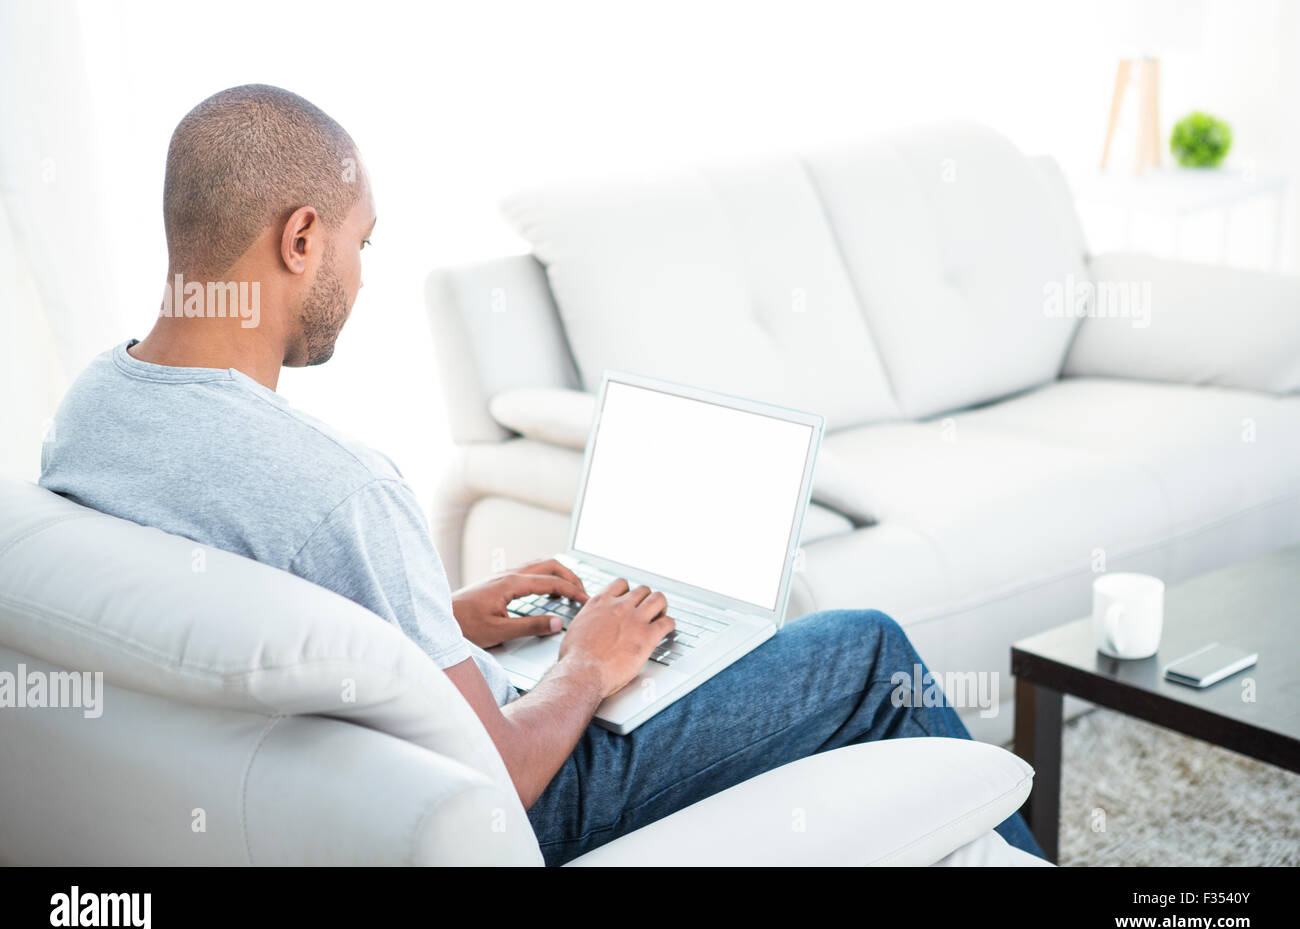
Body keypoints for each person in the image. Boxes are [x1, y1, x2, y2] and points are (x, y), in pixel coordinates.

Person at [39, 84, 1043, 865]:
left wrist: (443, 618)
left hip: (330, 780)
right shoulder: (342, 488)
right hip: (524, 793)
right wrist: (583, 664)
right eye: (361, 243)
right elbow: (506, 773)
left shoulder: (91, 409)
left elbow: (257, 611)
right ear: (301, 237)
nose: (360, 277)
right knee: (863, 651)